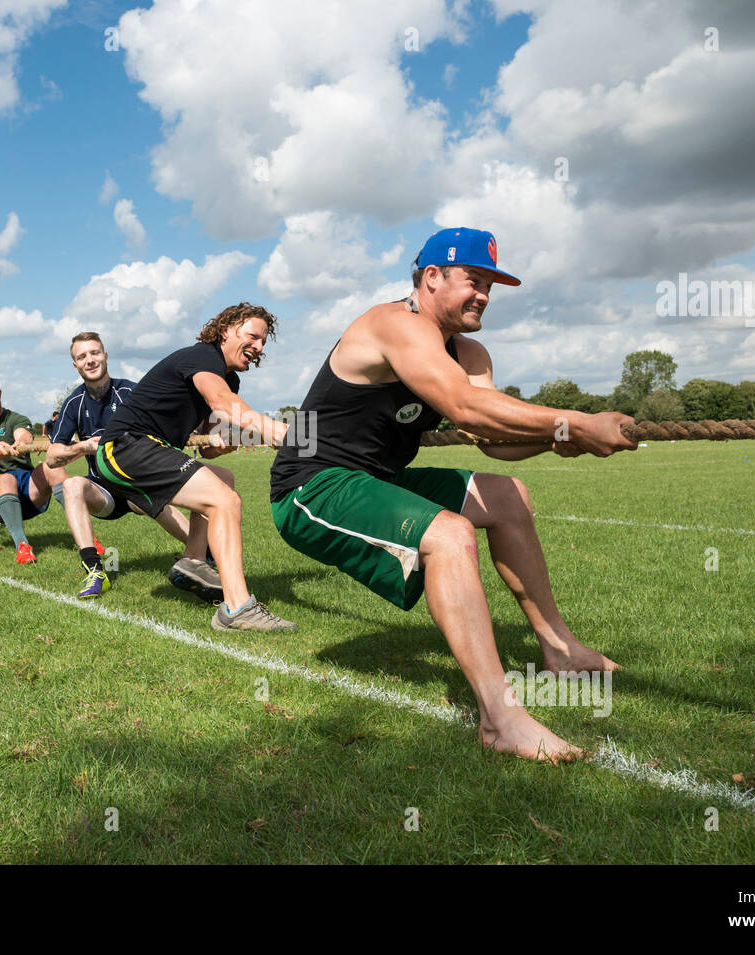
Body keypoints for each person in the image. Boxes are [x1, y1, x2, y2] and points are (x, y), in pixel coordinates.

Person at [270, 227, 637, 763]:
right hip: (314, 486)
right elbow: (463, 407)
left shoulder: (470, 351)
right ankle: (500, 718)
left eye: (490, 284)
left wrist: (554, 437)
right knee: (449, 533)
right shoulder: (392, 323)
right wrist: (575, 421)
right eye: (474, 280)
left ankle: (561, 651)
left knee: (508, 495)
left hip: (380, 478)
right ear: (432, 277)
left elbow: (493, 443)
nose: (484, 295)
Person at [96, 303, 296, 632]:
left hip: (147, 448)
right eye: (253, 337)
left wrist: (230, 441)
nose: (259, 347)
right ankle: (237, 608)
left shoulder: (227, 377)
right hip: (126, 447)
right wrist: (288, 433)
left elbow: (210, 445)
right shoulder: (204, 356)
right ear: (225, 331)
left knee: (224, 480)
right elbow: (223, 403)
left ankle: (192, 560)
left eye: (263, 342)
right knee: (223, 500)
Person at [47, 332, 194, 599]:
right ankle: (94, 571)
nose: (90, 360)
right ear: (75, 365)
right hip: (104, 492)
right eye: (82, 357)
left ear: (105, 355)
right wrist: (83, 447)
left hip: (139, 481)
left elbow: (170, 419)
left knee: (159, 502)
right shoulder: (73, 404)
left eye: (94, 353)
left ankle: (202, 556)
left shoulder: (131, 391)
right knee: (71, 485)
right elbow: (52, 456)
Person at [0, 375, 61, 570]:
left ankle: (87, 540)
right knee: (6, 479)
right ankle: (22, 546)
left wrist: (22, 441)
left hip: (27, 494)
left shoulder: (17, 418)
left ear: (0, 394)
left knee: (52, 468)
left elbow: (23, 434)